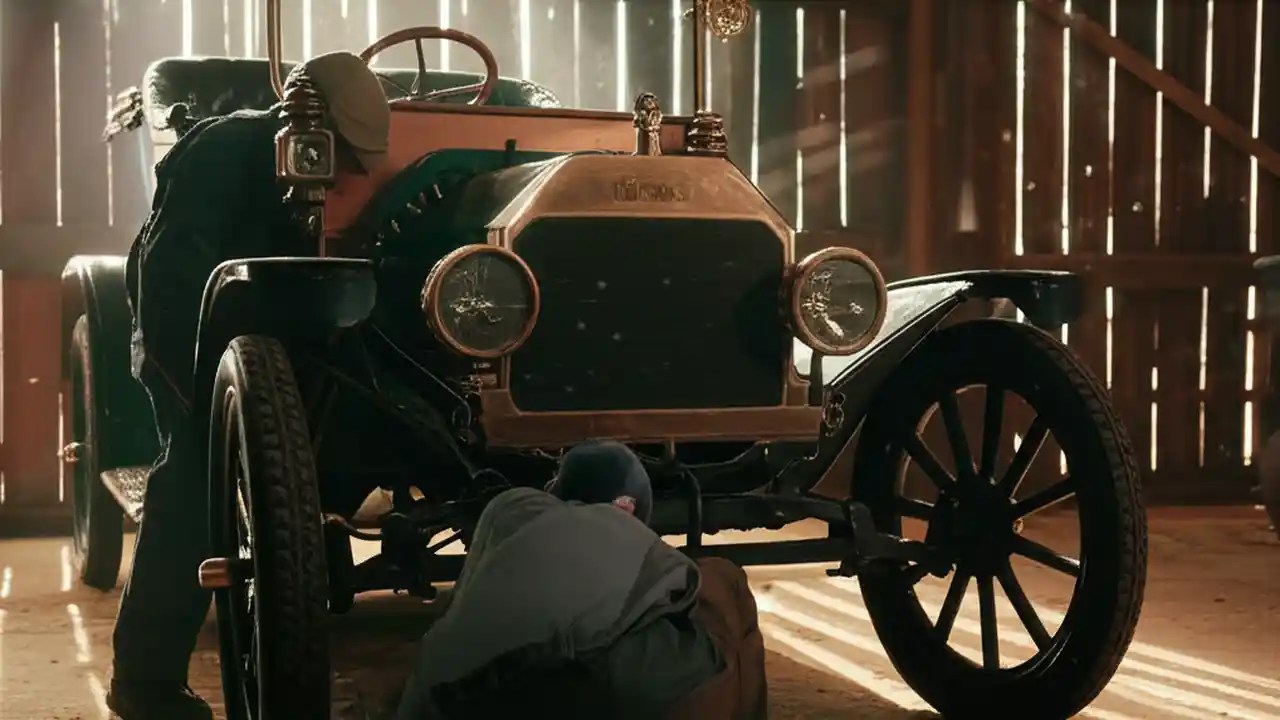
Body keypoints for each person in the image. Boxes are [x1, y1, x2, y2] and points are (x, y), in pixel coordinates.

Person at [105, 51, 392, 720]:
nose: (356, 172)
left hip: (286, 346)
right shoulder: (224, 150)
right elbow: (171, 281)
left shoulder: (337, 170)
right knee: (192, 487)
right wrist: (206, 402)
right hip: (190, 337)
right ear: (304, 123)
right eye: (346, 153)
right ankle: (142, 682)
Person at [395, 441, 768, 719]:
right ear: (625, 507)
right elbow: (679, 599)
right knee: (722, 584)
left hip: (446, 703)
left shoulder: (508, 512)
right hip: (582, 694)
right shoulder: (624, 530)